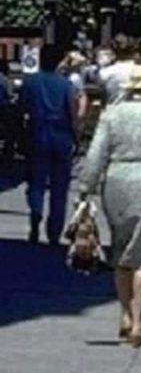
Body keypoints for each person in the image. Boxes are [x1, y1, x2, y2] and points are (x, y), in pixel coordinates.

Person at [79, 64, 141, 347]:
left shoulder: (112, 115)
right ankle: (138, 322)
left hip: (117, 179)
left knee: (121, 249)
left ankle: (124, 314)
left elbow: (96, 154)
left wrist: (86, 187)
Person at [19, 45, 78, 245]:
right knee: (59, 187)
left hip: (37, 134)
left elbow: (21, 108)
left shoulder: (30, 82)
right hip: (61, 136)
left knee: (36, 181)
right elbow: (72, 113)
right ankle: (54, 230)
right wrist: (76, 138)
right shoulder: (66, 84)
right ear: (59, 62)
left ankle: (36, 212)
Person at [99, 34, 137, 105]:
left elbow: (102, 96)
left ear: (114, 52)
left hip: (113, 109)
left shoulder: (105, 72)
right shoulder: (140, 70)